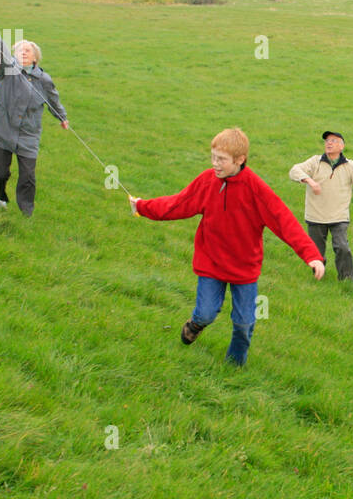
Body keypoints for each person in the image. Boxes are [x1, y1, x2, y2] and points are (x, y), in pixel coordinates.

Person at [129, 128, 324, 366]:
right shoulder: (207, 181)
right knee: (206, 313)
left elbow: (284, 221)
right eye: (212, 157)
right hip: (211, 262)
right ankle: (196, 324)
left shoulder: (256, 189)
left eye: (221, 159)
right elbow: (176, 204)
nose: (214, 164)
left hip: (244, 269)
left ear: (240, 160)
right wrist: (142, 207)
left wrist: (311, 255)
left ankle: (234, 366)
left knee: (244, 323)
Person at [0, 11, 68, 216]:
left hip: (28, 134)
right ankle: (0, 195)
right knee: (1, 173)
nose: (24, 53)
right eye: (19, 50)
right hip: (1, 129)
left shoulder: (44, 79)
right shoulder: (8, 71)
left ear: (35, 57)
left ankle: (27, 213)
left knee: (28, 177)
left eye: (28, 50)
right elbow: (1, 55)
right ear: (14, 56)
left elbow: (53, 99)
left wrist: (62, 117)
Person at [288, 131, 353, 281]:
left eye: (334, 141)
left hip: (339, 216)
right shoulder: (315, 162)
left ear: (342, 146)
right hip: (315, 216)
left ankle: (347, 280)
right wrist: (309, 181)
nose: (329, 143)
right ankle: (318, 278)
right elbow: (294, 171)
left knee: (342, 247)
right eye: (327, 140)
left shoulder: (350, 166)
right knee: (316, 253)